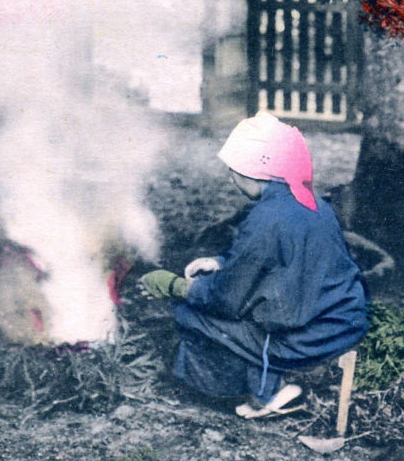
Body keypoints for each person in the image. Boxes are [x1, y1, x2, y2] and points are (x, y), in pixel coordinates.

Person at [141, 111, 369, 418]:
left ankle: (269, 391)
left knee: (190, 314)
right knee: (250, 312)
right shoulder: (309, 199)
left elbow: (226, 300)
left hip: (312, 337)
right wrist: (221, 262)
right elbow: (284, 260)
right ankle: (272, 378)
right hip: (346, 319)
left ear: (250, 170)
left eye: (233, 170)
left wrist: (175, 286)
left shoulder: (264, 219)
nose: (231, 178)